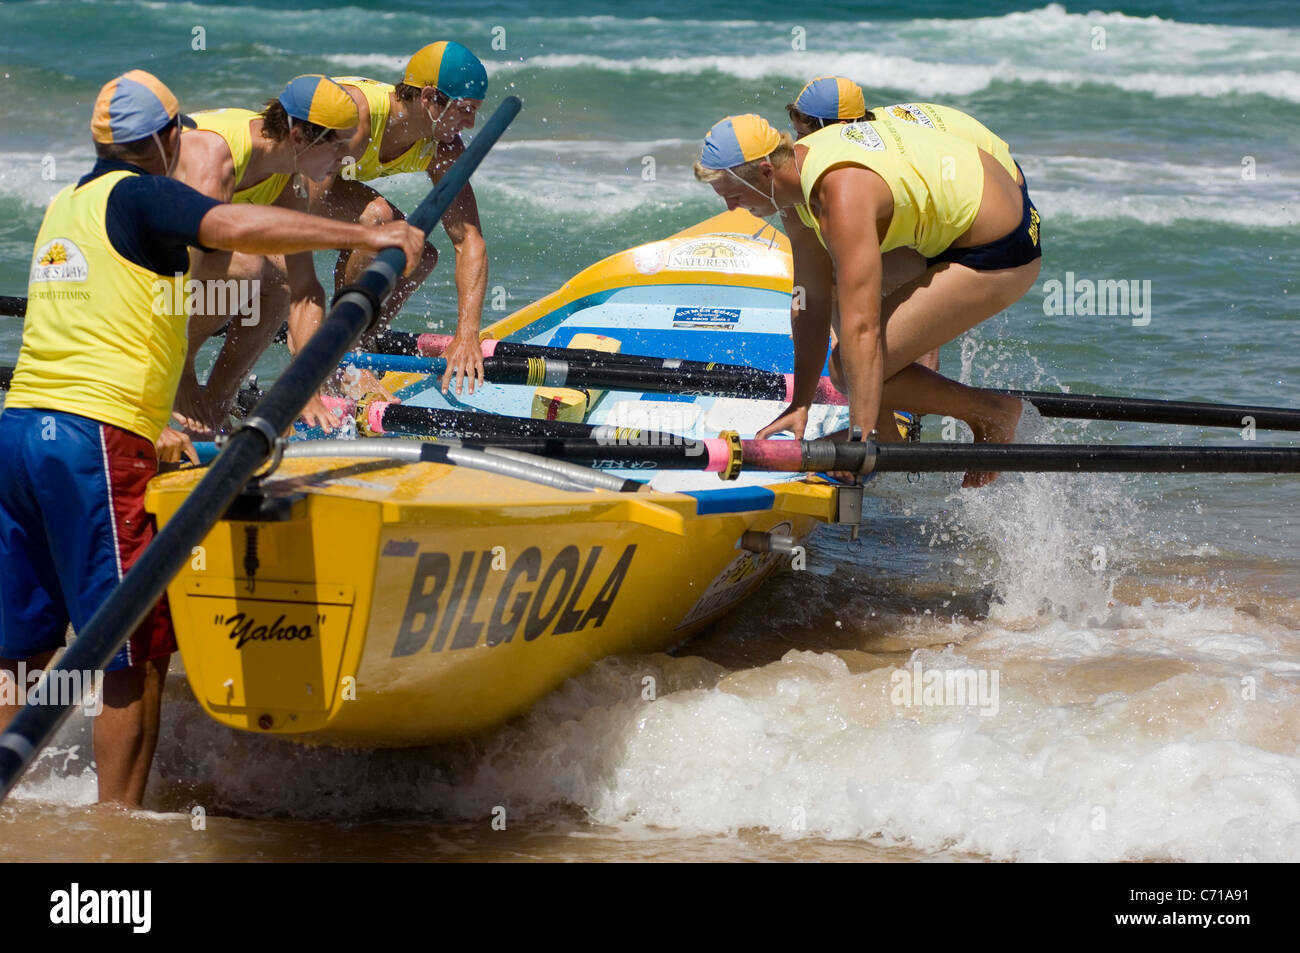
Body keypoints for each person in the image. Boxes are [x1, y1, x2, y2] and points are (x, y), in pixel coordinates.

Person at [0, 70, 425, 806]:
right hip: (90, 439)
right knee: (131, 651)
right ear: (165, 140)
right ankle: (115, 832)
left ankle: (14, 814)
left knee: (21, 648)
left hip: (15, 433)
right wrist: (365, 233)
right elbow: (231, 227)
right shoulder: (141, 192)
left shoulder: (64, 205)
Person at [694, 113, 1039, 487]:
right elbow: (808, 300)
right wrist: (801, 404)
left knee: (847, 370)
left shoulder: (840, 196)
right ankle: (885, 428)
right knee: (830, 291)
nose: (730, 206)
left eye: (733, 193)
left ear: (765, 171)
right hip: (961, 218)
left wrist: (859, 439)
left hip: (1002, 249)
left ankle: (992, 413)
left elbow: (863, 326)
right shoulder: (795, 184)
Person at [172, 75, 361, 434]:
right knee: (247, 266)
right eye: (336, 145)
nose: (345, 157)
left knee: (283, 281)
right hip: (131, 259)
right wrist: (174, 370)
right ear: (297, 136)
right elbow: (179, 270)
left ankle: (215, 406)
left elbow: (307, 290)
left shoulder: (288, 178)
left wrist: (305, 385)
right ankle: (178, 363)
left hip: (180, 261)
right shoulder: (216, 161)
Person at [317, 41, 490, 395]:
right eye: (464, 110)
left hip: (325, 189)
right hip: (279, 185)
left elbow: (468, 239)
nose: (470, 123)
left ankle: (360, 344)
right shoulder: (358, 118)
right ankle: (339, 351)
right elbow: (297, 196)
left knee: (421, 255)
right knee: (379, 220)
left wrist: (467, 335)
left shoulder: (444, 146)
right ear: (428, 97)